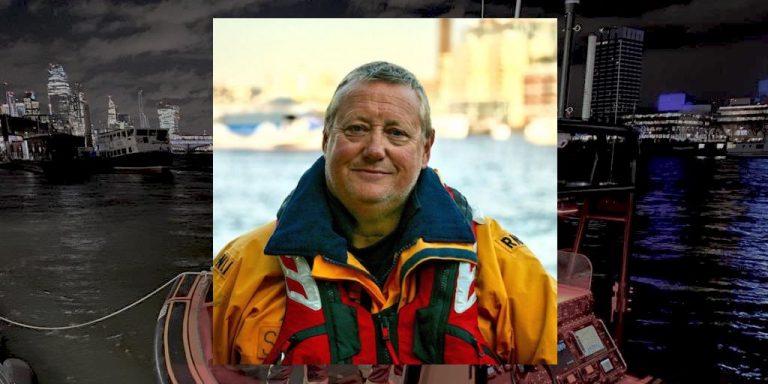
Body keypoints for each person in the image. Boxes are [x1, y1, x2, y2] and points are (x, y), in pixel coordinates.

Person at [213, 61, 556, 368]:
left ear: (425, 149)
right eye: (357, 129)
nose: (375, 150)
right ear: (326, 139)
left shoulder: (503, 265)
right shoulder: (245, 266)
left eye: (396, 133)